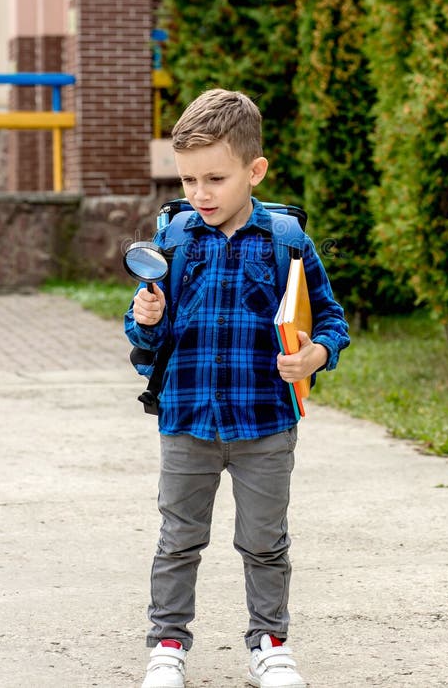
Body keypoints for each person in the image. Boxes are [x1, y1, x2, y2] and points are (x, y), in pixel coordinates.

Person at [125, 88, 350, 688]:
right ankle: (167, 645)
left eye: (215, 179)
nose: (200, 194)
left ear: (255, 171)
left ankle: (270, 644)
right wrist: (146, 318)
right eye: (188, 179)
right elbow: (143, 330)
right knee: (178, 541)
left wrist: (316, 355)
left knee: (265, 542)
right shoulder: (174, 241)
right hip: (187, 420)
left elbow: (331, 319)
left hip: (266, 423)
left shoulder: (287, 242)